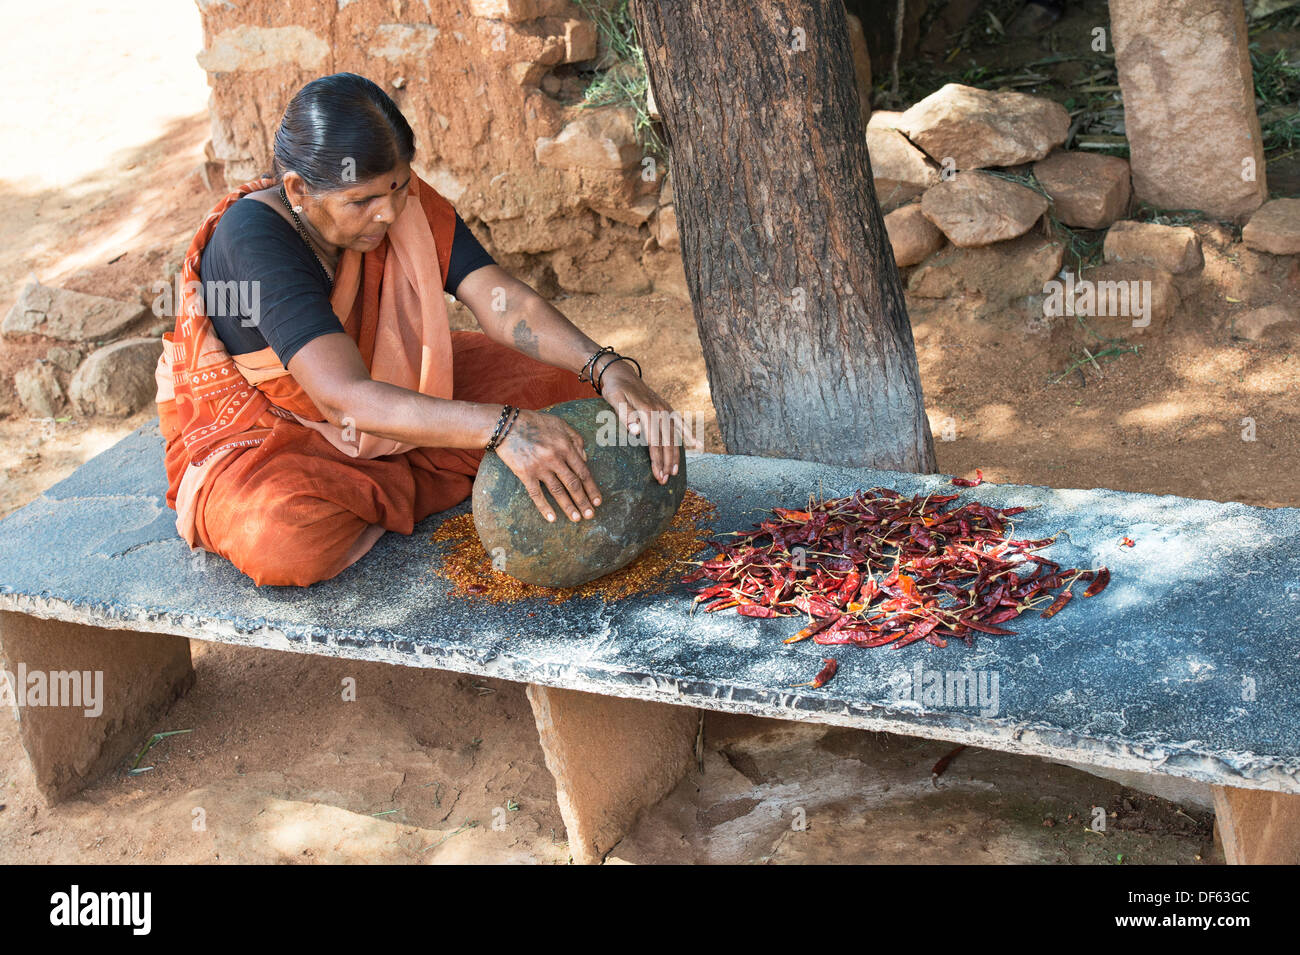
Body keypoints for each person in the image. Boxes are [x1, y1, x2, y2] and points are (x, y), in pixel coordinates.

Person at [155, 72, 681, 587]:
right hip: (283, 429)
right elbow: (344, 400)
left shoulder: (395, 197)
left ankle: (409, 471)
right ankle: (419, 470)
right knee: (282, 537)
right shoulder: (256, 239)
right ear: (298, 190)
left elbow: (499, 298)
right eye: (361, 202)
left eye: (400, 187)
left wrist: (605, 365)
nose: (388, 214)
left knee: (570, 386)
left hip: (393, 391)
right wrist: (503, 428)